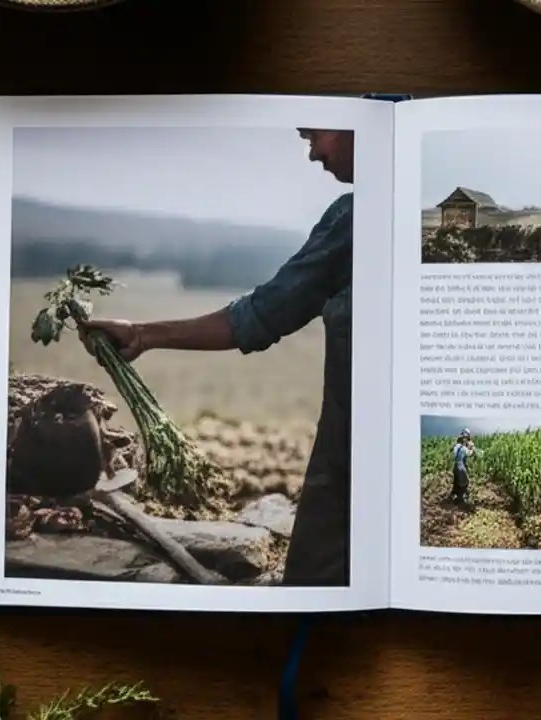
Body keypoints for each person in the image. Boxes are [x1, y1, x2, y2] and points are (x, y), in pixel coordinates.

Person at [78, 127, 355, 588]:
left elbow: (259, 315)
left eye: (314, 138)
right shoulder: (348, 221)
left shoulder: (372, 219)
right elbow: (261, 315)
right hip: (343, 455)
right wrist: (142, 336)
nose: (312, 155)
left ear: (351, 126)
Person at [449, 429, 474, 505]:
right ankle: (459, 500)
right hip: (460, 466)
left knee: (456, 482)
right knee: (465, 483)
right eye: (466, 438)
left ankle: (454, 496)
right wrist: (472, 448)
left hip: (455, 466)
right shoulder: (463, 448)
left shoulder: (456, 446)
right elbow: (469, 453)